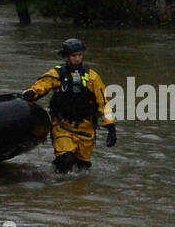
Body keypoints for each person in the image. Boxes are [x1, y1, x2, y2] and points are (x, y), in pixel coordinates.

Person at [22, 39, 116, 172]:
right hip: (63, 126)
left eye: (80, 55)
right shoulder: (57, 74)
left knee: (83, 169)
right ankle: (58, 185)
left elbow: (104, 102)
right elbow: (41, 86)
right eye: (73, 56)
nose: (77, 59)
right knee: (66, 161)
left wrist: (111, 127)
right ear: (66, 57)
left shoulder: (92, 77)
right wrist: (31, 94)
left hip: (86, 129)